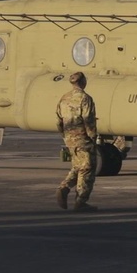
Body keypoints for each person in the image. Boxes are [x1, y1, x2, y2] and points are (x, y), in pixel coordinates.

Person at [55, 72, 99, 212]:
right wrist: (92, 137)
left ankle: (64, 187)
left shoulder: (64, 98)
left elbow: (58, 120)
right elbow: (88, 119)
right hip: (83, 138)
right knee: (87, 169)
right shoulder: (85, 99)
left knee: (78, 166)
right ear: (83, 82)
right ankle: (80, 201)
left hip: (70, 138)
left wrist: (65, 136)